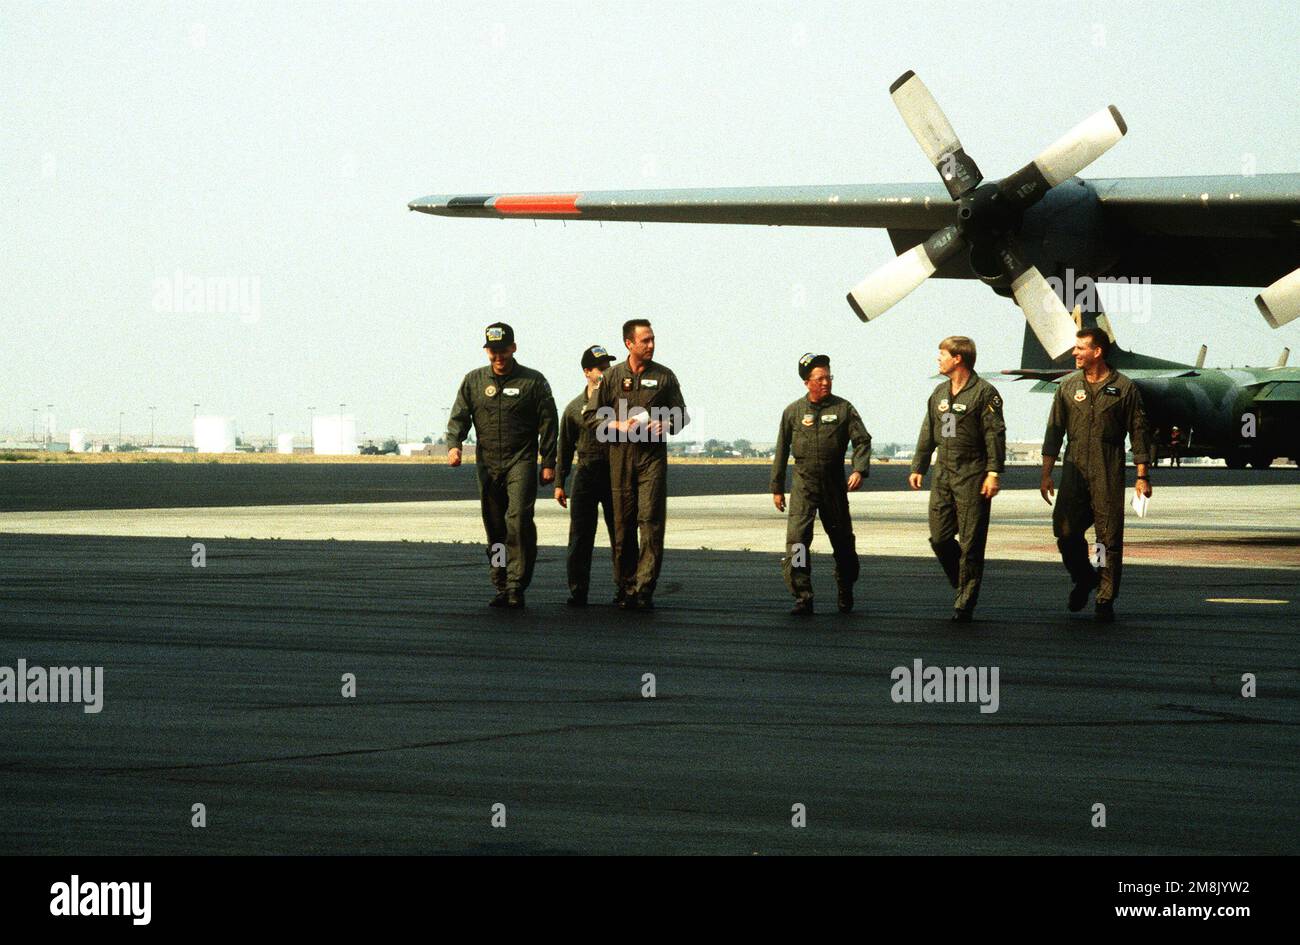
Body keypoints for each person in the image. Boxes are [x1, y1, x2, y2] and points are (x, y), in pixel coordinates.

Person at [1040, 327, 1152, 622]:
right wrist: (1046, 474)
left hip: (1108, 467)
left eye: (1080, 348)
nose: (1074, 353)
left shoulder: (1125, 388)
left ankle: (1104, 597)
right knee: (1065, 531)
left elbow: (1139, 435)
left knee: (1107, 537)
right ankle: (1085, 576)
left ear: (1097, 351)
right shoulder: (1067, 387)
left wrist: (1142, 476)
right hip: (1074, 468)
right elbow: (1053, 433)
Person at [446, 322, 558, 609]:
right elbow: (459, 416)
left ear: (513, 348)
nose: (499, 356)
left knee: (517, 520)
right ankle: (500, 581)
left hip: (520, 459)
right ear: (487, 351)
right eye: (493, 351)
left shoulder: (533, 382)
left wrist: (548, 462)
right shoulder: (473, 381)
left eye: (503, 350)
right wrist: (454, 445)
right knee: (495, 529)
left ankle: (516, 584)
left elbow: (549, 423)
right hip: (487, 463)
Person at [582, 319, 688, 610]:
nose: (651, 345)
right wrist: (614, 424)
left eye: (653, 339)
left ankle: (643, 588)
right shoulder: (612, 378)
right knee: (623, 524)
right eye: (645, 341)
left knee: (650, 522)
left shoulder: (665, 377)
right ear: (630, 343)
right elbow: (591, 418)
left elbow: (683, 417)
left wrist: (664, 423)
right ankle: (625, 585)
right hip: (620, 458)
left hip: (651, 459)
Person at [908, 336, 1006, 622]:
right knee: (939, 537)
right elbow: (928, 432)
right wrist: (919, 466)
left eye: (942, 354)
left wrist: (993, 473)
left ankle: (965, 602)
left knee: (972, 540)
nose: (938, 359)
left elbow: (994, 434)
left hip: (973, 473)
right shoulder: (939, 393)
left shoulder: (985, 393)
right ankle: (962, 579)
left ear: (958, 359)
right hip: (943, 474)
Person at [770, 353, 872, 616]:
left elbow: (862, 440)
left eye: (829, 377)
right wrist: (777, 488)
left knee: (843, 543)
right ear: (807, 382)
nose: (826, 382)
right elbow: (781, 449)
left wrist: (859, 469)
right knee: (798, 542)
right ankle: (803, 595)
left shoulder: (843, 409)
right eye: (820, 378)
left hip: (834, 485)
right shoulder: (793, 412)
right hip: (803, 485)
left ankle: (845, 588)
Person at [555, 344, 618, 607]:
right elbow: (564, 446)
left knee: (621, 535)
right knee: (580, 536)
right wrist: (560, 483)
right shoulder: (573, 409)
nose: (606, 372)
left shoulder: (619, 404)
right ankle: (578, 590)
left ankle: (626, 588)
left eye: (608, 367)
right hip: (586, 474)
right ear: (586, 372)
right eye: (600, 368)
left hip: (615, 474)